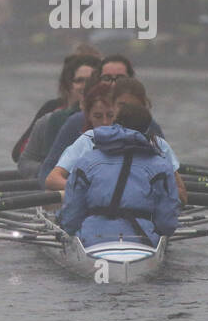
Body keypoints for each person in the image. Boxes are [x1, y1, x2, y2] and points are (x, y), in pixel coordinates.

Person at [56, 103, 181, 249]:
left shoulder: (87, 161)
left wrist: (69, 232)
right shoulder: (161, 166)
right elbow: (167, 223)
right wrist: (159, 235)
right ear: (148, 129)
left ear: (115, 124)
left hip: (92, 241)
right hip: (142, 242)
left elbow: (71, 216)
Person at [43, 76, 186, 203]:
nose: (128, 111)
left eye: (134, 106)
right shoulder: (89, 140)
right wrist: (85, 189)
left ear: (144, 108)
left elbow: (182, 195)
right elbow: (52, 179)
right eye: (122, 105)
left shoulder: (159, 144)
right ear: (113, 106)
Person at [16, 55, 102, 177]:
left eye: (90, 81)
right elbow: (22, 160)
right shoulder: (50, 119)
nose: (85, 86)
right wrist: (50, 170)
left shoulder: (115, 120)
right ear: (69, 85)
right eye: (80, 80)